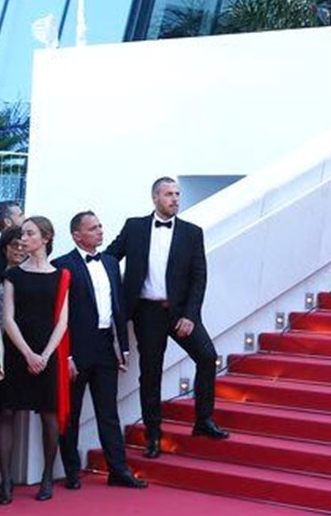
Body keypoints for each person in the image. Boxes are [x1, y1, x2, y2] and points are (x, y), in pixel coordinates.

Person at [106, 177, 231, 453]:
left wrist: (190, 315)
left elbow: (199, 277)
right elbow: (109, 258)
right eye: (168, 194)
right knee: (150, 373)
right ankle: (153, 434)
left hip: (180, 313)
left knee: (207, 357)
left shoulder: (192, 232)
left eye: (177, 194)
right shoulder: (134, 227)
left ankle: (203, 420)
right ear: (155, 198)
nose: (175, 199)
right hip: (146, 312)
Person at [53, 211, 144, 492]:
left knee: (108, 412)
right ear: (76, 235)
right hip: (77, 350)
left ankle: (118, 470)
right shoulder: (62, 265)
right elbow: (58, 315)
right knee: (72, 413)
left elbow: (117, 307)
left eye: (100, 226)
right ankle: (70, 472)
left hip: (107, 347)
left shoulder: (110, 263)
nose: (100, 232)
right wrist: (66, 356)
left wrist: (123, 350)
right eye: (93, 228)